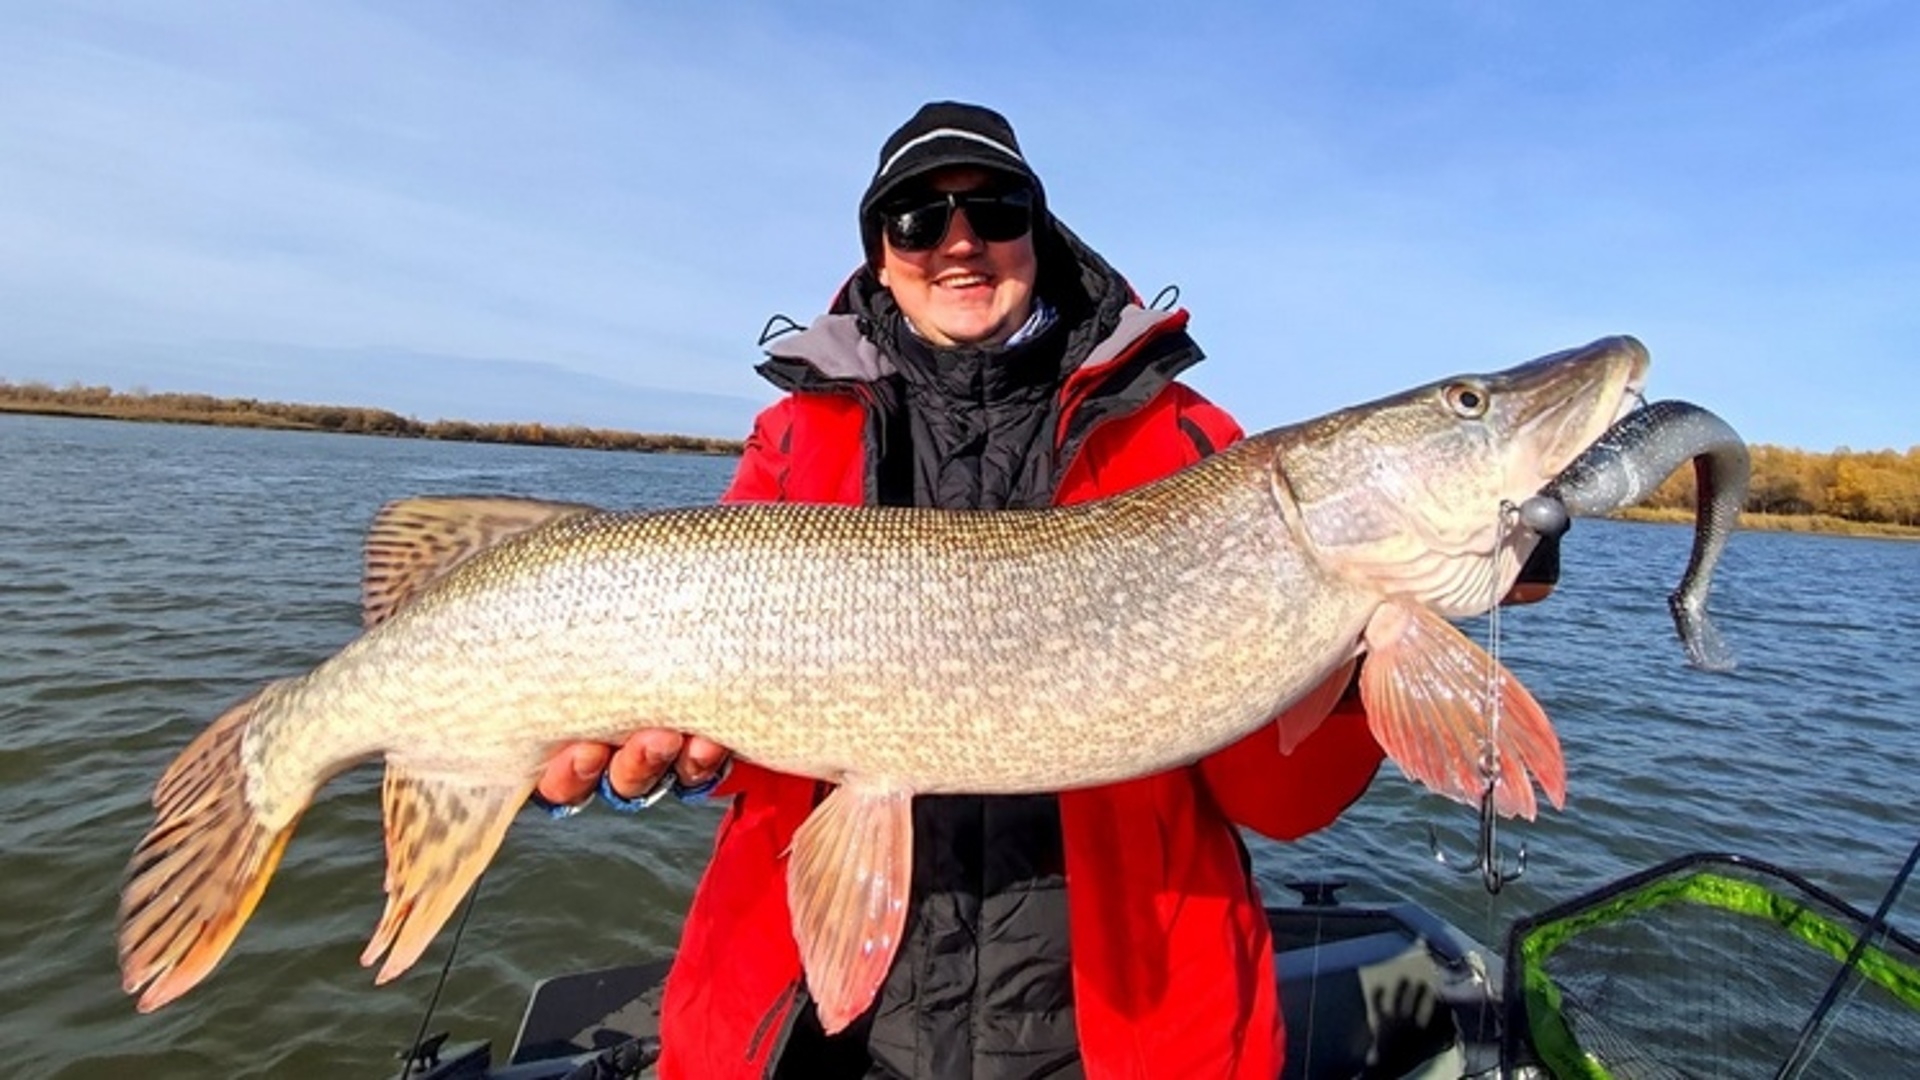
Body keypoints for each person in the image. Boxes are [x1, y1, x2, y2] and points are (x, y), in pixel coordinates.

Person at [535, 101, 1550, 1079]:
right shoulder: (796, 440)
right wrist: (675, 760)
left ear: (1039, 232)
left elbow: (1279, 803)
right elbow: (744, 745)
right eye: (918, 217)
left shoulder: (1184, 441)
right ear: (881, 252)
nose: (960, 242)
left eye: (996, 211)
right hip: (814, 1031)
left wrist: (1353, 650)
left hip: (1122, 1031)